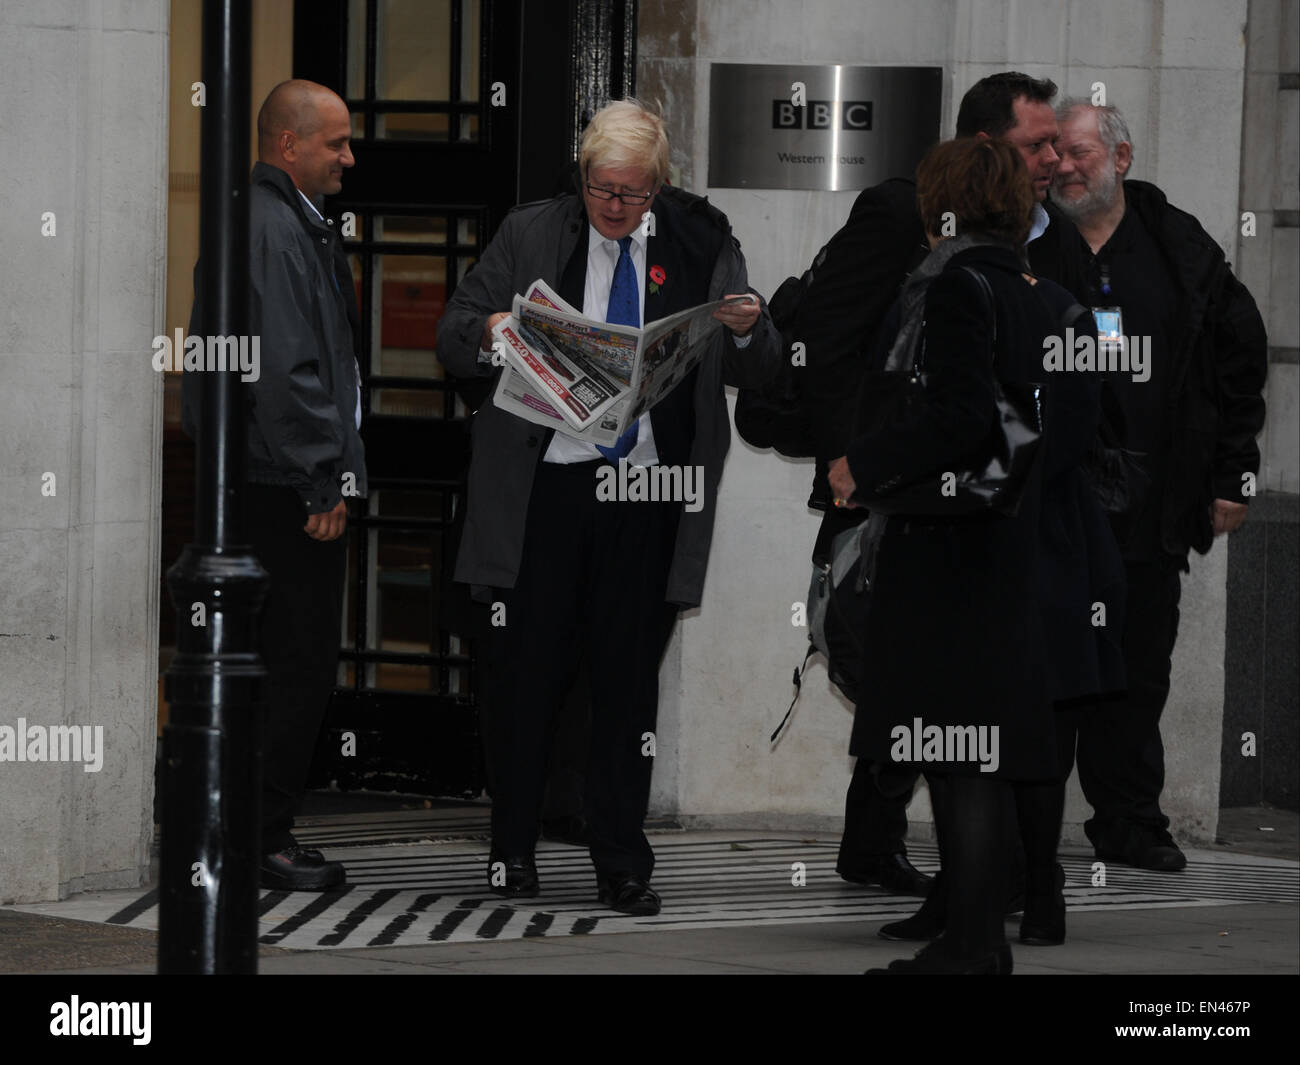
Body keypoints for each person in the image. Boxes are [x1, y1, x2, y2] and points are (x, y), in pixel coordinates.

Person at [437, 99, 779, 915]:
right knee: (526, 680)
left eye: (631, 193)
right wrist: (494, 331)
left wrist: (744, 326)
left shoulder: (703, 240)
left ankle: (621, 860)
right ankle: (511, 852)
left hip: (647, 496)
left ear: (659, 185)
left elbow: (763, 369)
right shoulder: (531, 234)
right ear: (583, 178)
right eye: (601, 190)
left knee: (627, 689)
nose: (615, 208)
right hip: (547, 493)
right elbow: (452, 334)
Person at [805, 72, 1089, 899]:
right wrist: (856, 469)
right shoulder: (903, 220)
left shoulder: (1051, 247)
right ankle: (913, 864)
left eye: (1055, 144)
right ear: (984, 147)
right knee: (904, 677)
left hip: (992, 517)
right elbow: (834, 347)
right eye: (1037, 144)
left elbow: (1038, 398)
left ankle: (984, 895)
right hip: (906, 502)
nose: (1053, 159)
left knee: (967, 711)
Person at [1042, 101, 1268, 871]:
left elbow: (1240, 356)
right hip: (1052, 509)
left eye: (1078, 153)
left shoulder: (1181, 248)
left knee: (1139, 673)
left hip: (1151, 512)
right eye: (1055, 154)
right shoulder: (1029, 241)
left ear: (1122, 157)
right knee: (1045, 666)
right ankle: (1025, 825)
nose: (1064, 167)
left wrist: (1233, 470)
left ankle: (1130, 820)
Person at [182, 79, 366, 892]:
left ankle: (245, 829)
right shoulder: (272, 229)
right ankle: (263, 837)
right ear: (288, 145)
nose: (348, 157)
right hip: (283, 485)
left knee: (273, 662)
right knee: (294, 664)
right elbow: (287, 373)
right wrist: (322, 479)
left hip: (263, 476)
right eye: (335, 143)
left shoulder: (281, 223)